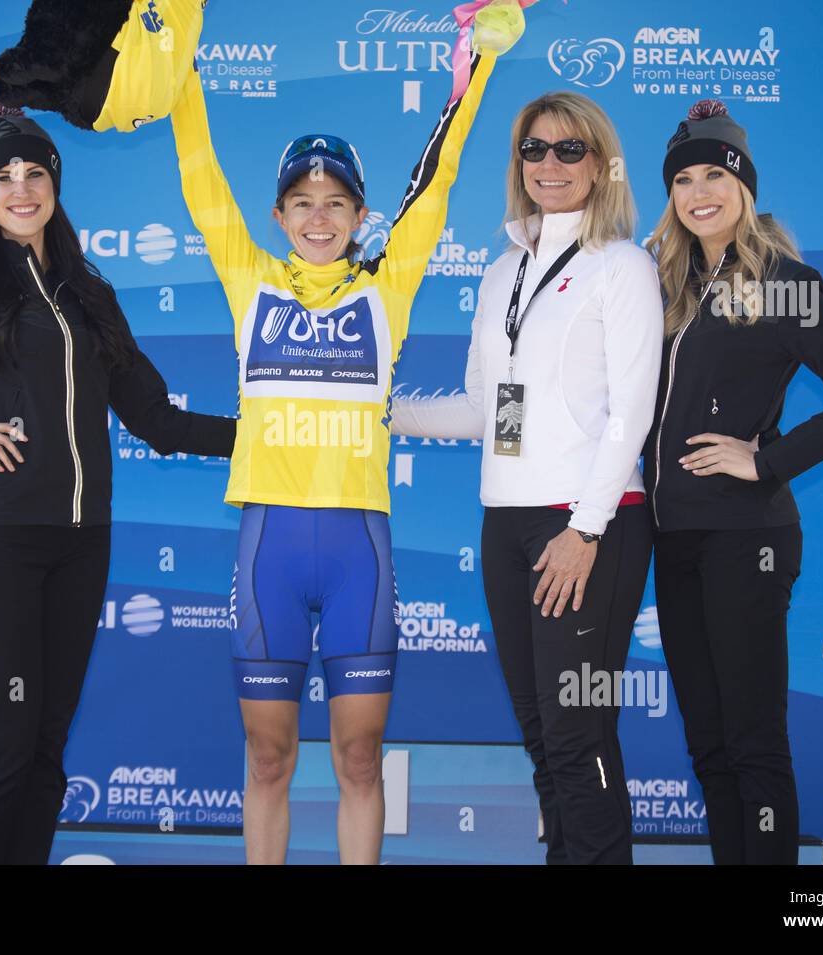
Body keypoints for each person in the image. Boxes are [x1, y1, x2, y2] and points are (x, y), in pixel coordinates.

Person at [0, 104, 236, 864]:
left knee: (49, 745)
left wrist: (269, 434)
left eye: (34, 173)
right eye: (3, 177)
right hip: (1, 545)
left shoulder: (91, 294)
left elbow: (158, 420)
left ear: (55, 183)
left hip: (83, 545)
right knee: (10, 741)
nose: (20, 189)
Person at [167, 44, 499, 863]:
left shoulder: (387, 290)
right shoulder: (252, 283)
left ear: (359, 216)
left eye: (337, 202)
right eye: (303, 202)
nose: (319, 217)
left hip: (359, 552)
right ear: (279, 217)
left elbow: (441, 174)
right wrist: (174, 64)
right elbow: (200, 173)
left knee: (357, 757)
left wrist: (481, 60)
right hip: (269, 547)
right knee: (270, 757)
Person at [392, 92, 662, 864]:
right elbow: (486, 411)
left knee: (579, 735)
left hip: (585, 525)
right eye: (534, 150)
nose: (549, 164)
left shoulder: (622, 264)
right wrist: (373, 411)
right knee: (545, 736)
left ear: (601, 162)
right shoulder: (502, 269)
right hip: (505, 522)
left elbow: (630, 413)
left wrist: (585, 528)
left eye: (569, 150)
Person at [644, 99, 823, 865]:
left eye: (714, 174)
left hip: (747, 537)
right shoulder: (657, 279)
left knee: (752, 743)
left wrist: (767, 459)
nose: (698, 193)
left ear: (743, 184)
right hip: (673, 537)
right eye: (683, 180)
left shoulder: (784, 282)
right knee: (710, 746)